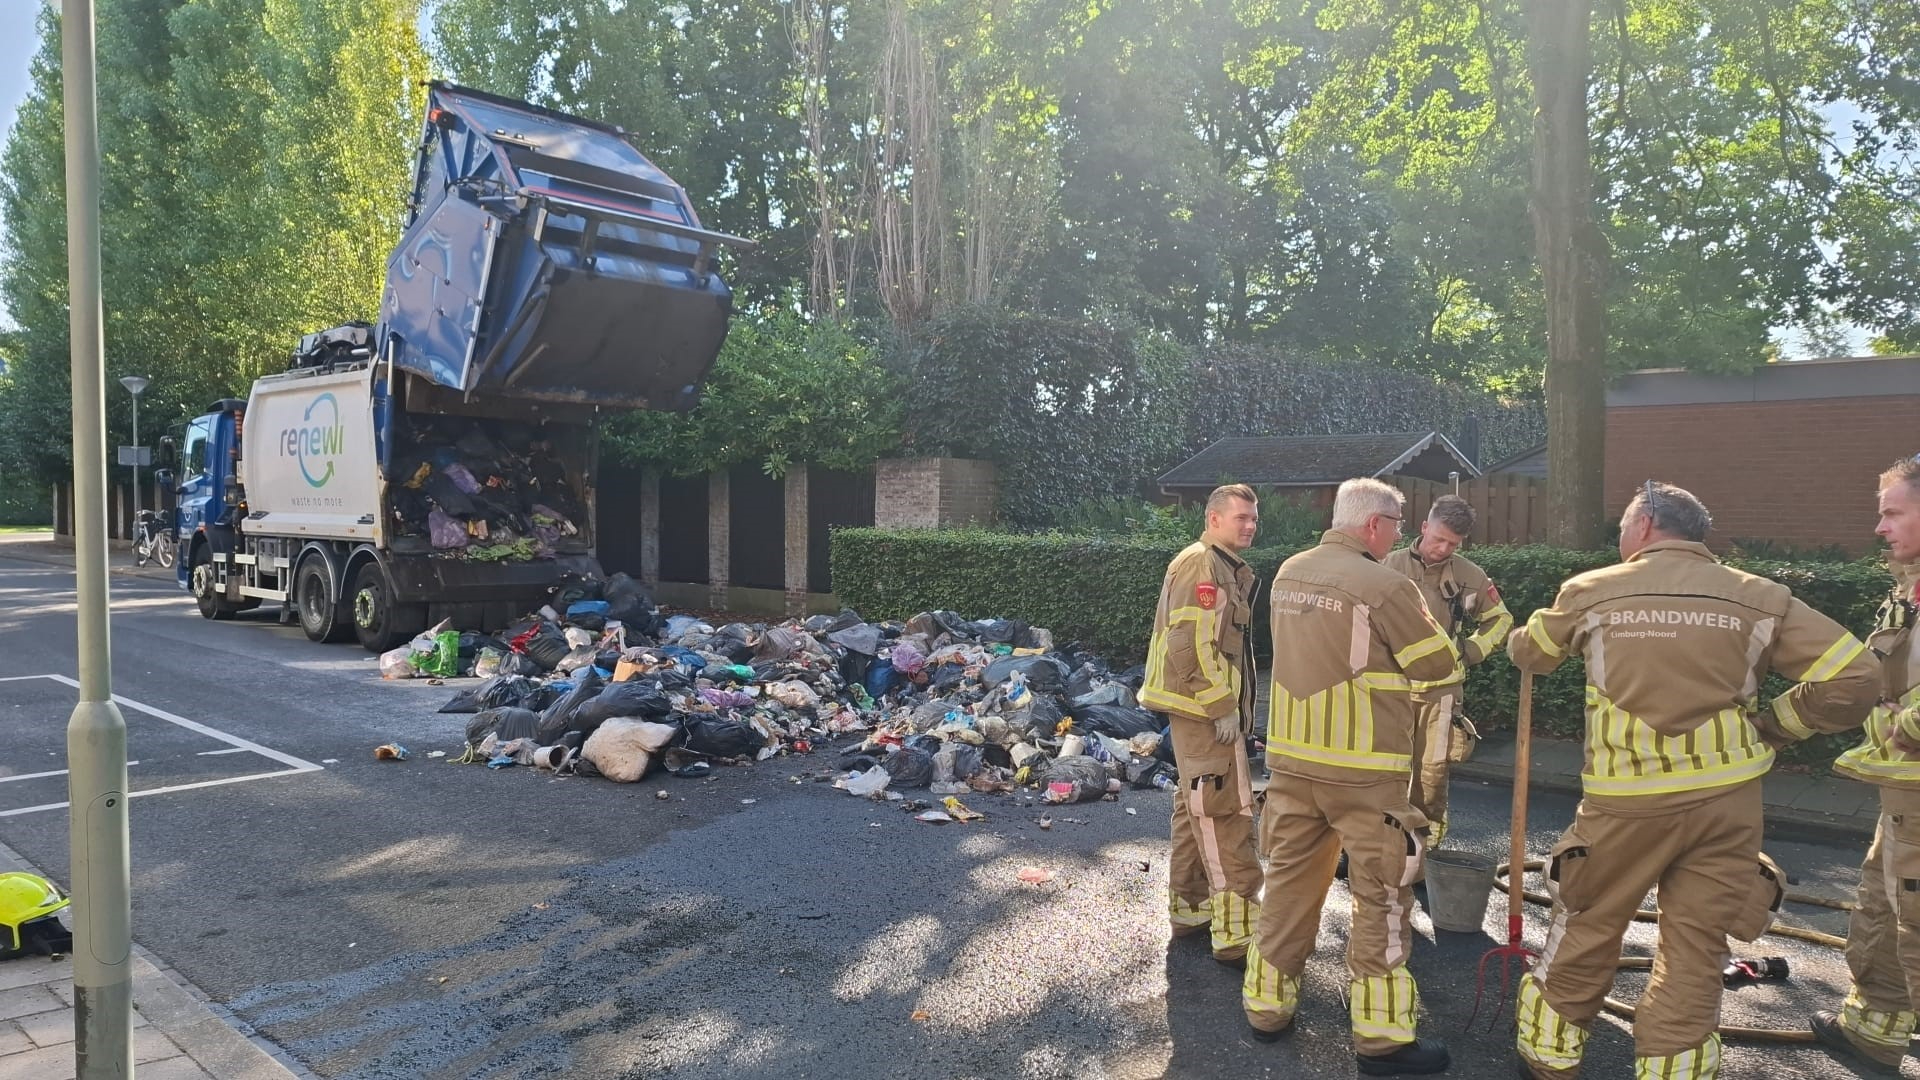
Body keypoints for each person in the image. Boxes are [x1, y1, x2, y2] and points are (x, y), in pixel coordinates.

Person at [1509, 481, 1877, 1080]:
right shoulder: (1761, 597)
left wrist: (1517, 637)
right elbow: (1858, 675)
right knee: (1698, 947)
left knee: (1588, 921)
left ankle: (1550, 1060)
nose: (1621, 537)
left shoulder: (1593, 590)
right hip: (1728, 802)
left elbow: (1534, 654)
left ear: (1644, 525)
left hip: (1626, 802)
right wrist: (1776, 726)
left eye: (1624, 527)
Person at [1241, 478, 1462, 1076]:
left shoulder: (1288, 573)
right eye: (1397, 524)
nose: (1399, 534)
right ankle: (1382, 1041)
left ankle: (1266, 1010)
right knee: (1383, 900)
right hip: (1365, 774)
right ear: (1373, 525)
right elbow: (1438, 665)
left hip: (1291, 765)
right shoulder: (1385, 585)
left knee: (1287, 888)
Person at [1809, 455, 1920, 1076]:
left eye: (1892, 513)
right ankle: (1872, 1032)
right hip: (1904, 794)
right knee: (1883, 907)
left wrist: (1904, 725)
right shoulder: (1910, 586)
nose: (1879, 527)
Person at [1140, 483, 1262, 966]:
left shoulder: (1219, 564)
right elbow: (1188, 644)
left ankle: (1191, 910)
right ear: (1213, 519)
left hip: (1197, 710)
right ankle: (1236, 934)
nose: (1250, 525)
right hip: (1203, 713)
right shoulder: (1202, 564)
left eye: (1254, 518)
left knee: (1197, 808)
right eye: (1241, 517)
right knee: (1222, 812)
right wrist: (1221, 707)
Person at [1384, 494, 1511, 846]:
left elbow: (1501, 620)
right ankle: (1386, 837)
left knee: (1432, 771)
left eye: (1452, 544)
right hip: (1390, 687)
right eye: (1438, 539)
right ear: (1424, 527)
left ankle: (1427, 844)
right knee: (1386, 766)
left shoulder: (1470, 576)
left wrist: (1468, 652)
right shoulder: (1387, 565)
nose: (1442, 549)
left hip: (1441, 691)